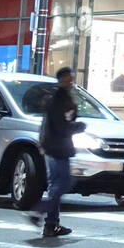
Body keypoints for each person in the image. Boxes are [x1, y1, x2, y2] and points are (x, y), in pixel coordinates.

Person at [31, 67, 86, 238]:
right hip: (57, 148)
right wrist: (80, 126)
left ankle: (51, 225)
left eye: (72, 79)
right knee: (63, 183)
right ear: (61, 80)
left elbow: (47, 123)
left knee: (56, 185)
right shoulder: (59, 100)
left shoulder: (60, 98)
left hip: (53, 146)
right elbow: (62, 127)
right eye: (68, 79)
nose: (71, 82)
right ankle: (39, 211)